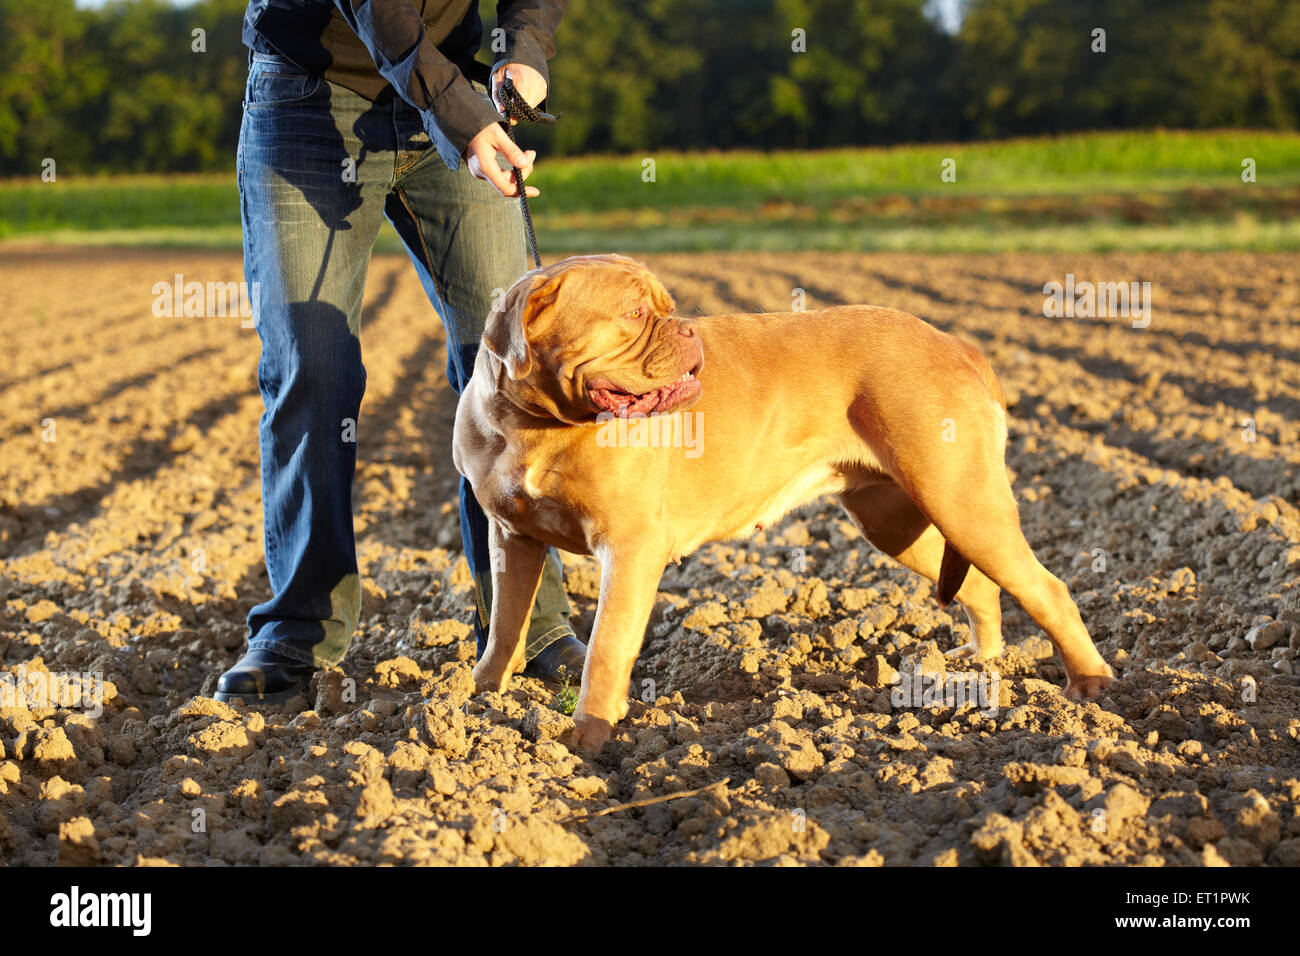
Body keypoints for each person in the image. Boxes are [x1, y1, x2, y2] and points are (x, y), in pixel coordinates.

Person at [215, 0, 584, 704]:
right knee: (310, 369)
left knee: (511, 369)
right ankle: (298, 630)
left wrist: (522, 53)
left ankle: (530, 631)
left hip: (451, 95)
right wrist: (465, 116)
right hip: (308, 102)